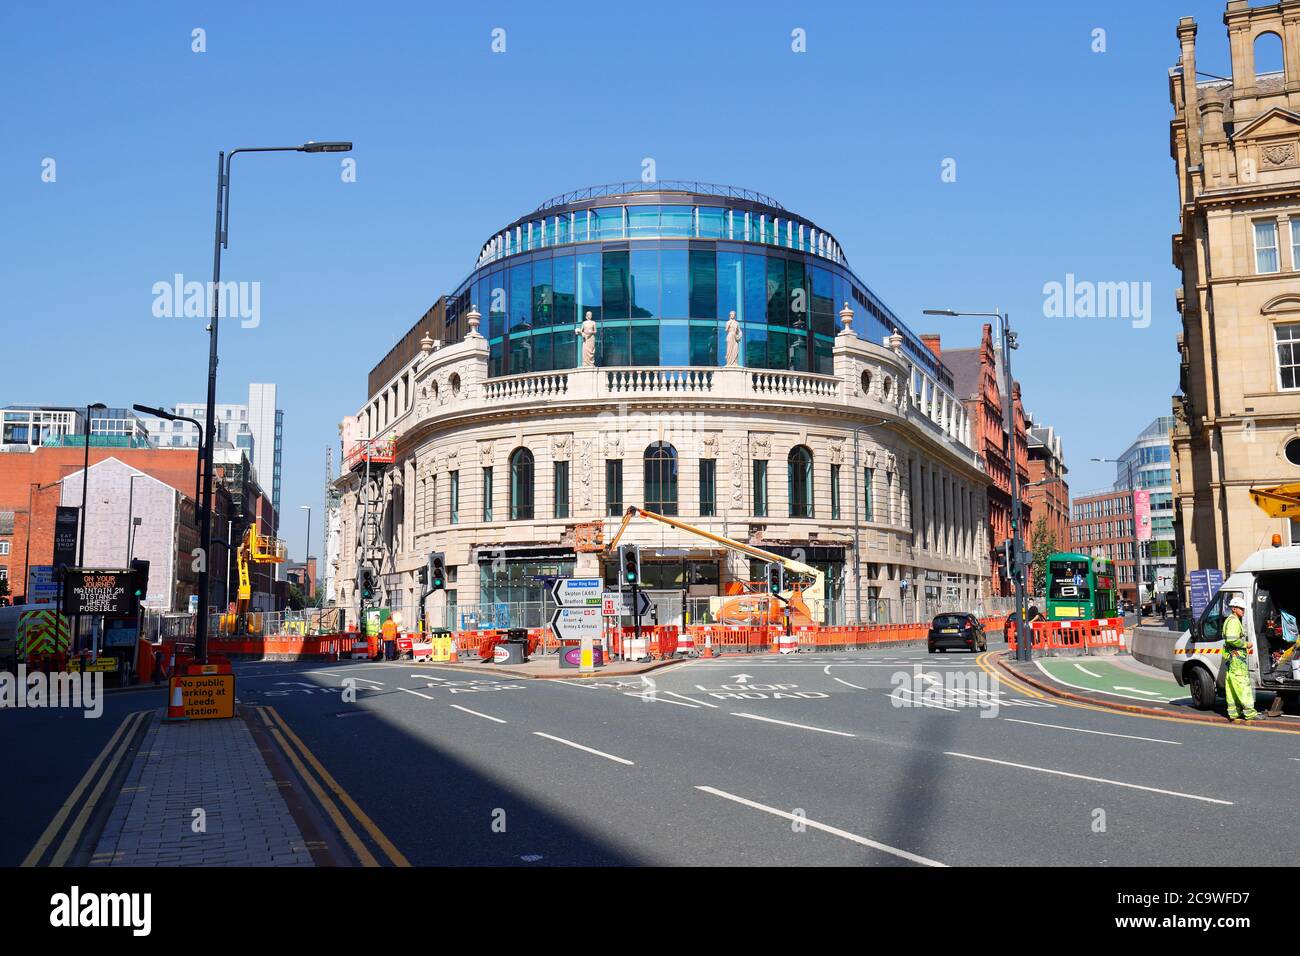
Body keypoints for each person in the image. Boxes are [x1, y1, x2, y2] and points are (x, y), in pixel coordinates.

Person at [1223, 594, 1260, 722]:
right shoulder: (1233, 621)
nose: (1243, 611)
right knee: (1243, 684)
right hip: (1237, 659)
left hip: (1232, 659)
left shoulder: (1230, 620)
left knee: (1232, 686)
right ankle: (1250, 713)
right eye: (1241, 608)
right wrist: (1246, 644)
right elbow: (1231, 639)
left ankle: (1234, 713)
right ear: (1234, 608)